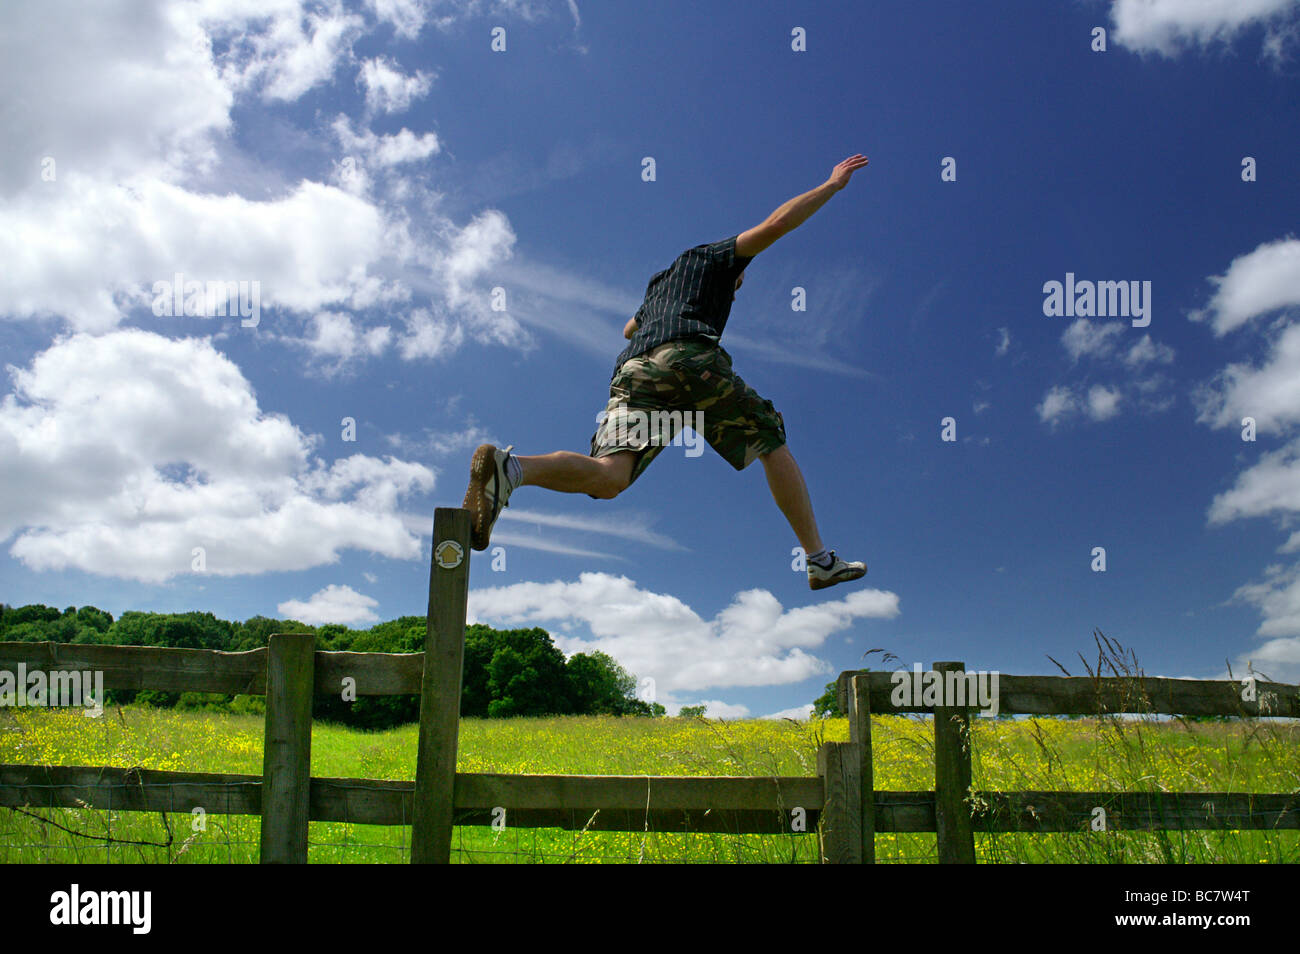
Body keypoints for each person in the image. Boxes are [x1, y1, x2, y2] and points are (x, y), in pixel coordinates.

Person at [463, 155, 870, 591]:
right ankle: (819, 559)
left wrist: (653, 314)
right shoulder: (711, 259)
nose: (738, 287)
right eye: (738, 281)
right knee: (768, 437)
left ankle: (512, 470)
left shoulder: (658, 290)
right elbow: (774, 226)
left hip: (635, 373)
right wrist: (831, 186)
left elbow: (628, 329)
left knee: (610, 477)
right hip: (687, 360)